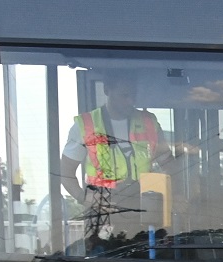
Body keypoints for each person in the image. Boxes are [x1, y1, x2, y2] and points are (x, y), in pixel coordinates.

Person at [59, 73, 174, 249]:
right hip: (104, 214)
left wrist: (176, 195)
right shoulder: (85, 125)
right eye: (124, 95)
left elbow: (170, 165)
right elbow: (65, 173)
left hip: (145, 211)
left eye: (133, 95)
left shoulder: (149, 122)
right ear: (107, 90)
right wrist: (84, 198)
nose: (130, 101)